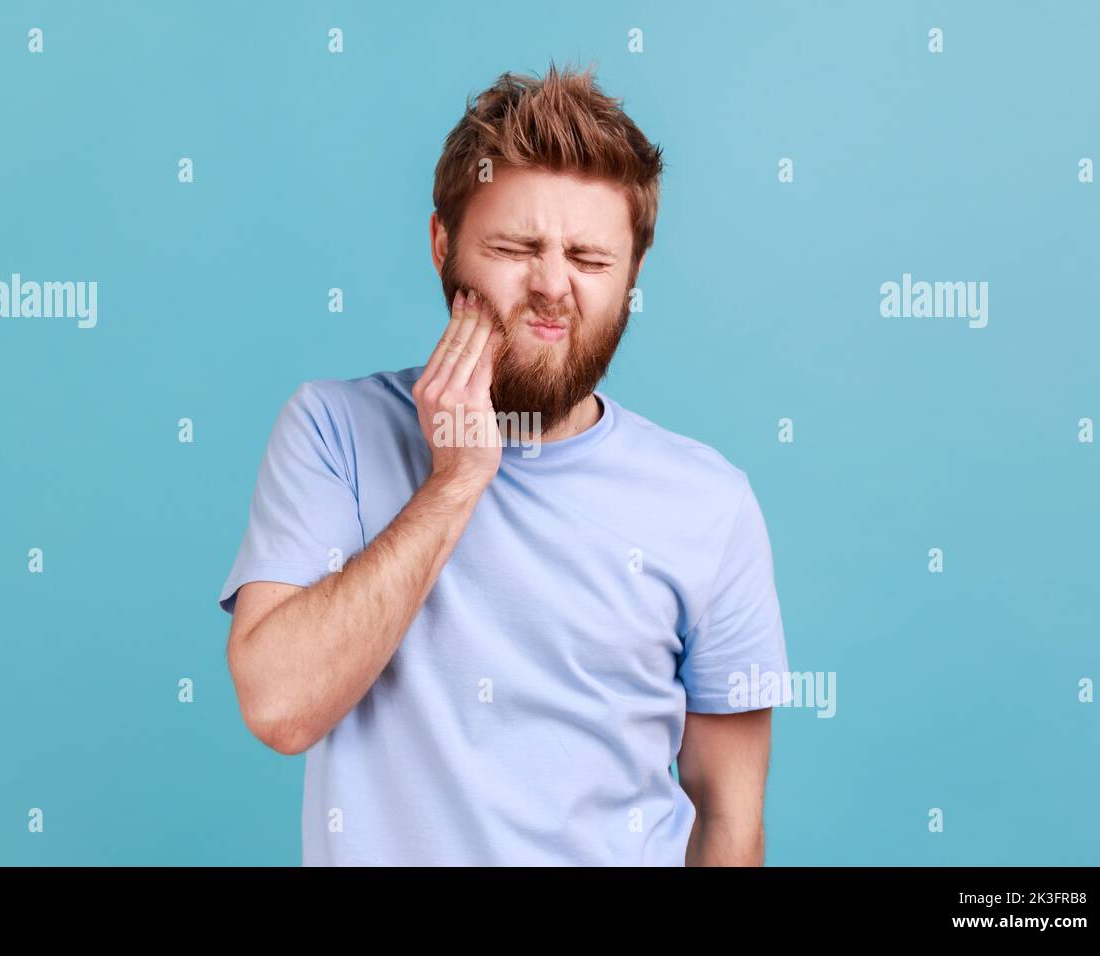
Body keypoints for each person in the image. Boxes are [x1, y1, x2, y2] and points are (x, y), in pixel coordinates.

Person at [218, 62, 791, 866]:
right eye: (519, 246)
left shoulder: (711, 504)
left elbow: (731, 816)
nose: (553, 286)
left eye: (591, 260)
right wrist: (455, 480)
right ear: (443, 245)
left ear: (633, 281)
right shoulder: (332, 432)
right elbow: (280, 706)